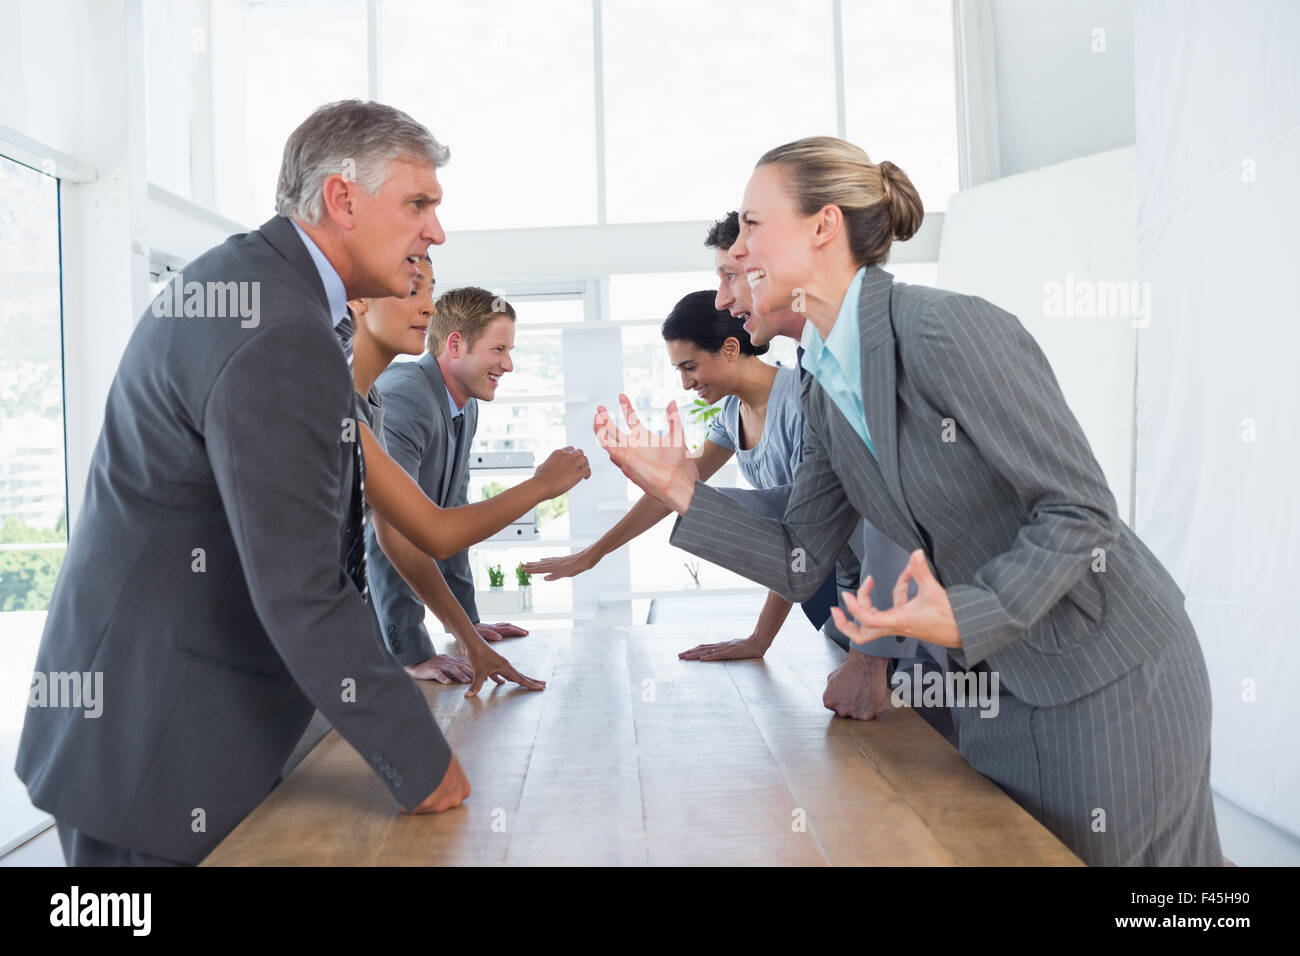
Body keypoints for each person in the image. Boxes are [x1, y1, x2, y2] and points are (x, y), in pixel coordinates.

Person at [594, 136, 1221, 866]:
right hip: (997, 696)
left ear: (823, 226)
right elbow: (801, 557)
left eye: (751, 226)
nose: (736, 255)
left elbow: (1080, 510)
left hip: (1109, 681)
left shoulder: (946, 329)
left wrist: (969, 610)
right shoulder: (825, 386)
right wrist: (682, 494)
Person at [527, 289, 841, 666]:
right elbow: (674, 493)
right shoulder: (730, 413)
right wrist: (594, 554)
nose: (685, 383)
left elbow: (797, 530)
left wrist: (760, 639)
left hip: (853, 575)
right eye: (679, 370)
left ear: (728, 348)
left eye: (690, 367)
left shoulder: (799, 401)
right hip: (818, 587)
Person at [347, 260, 560, 695]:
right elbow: (390, 536)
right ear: (457, 345)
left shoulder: (465, 404)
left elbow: (452, 514)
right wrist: (413, 652)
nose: (509, 365)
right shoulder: (407, 394)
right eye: (499, 350)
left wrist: (469, 623)